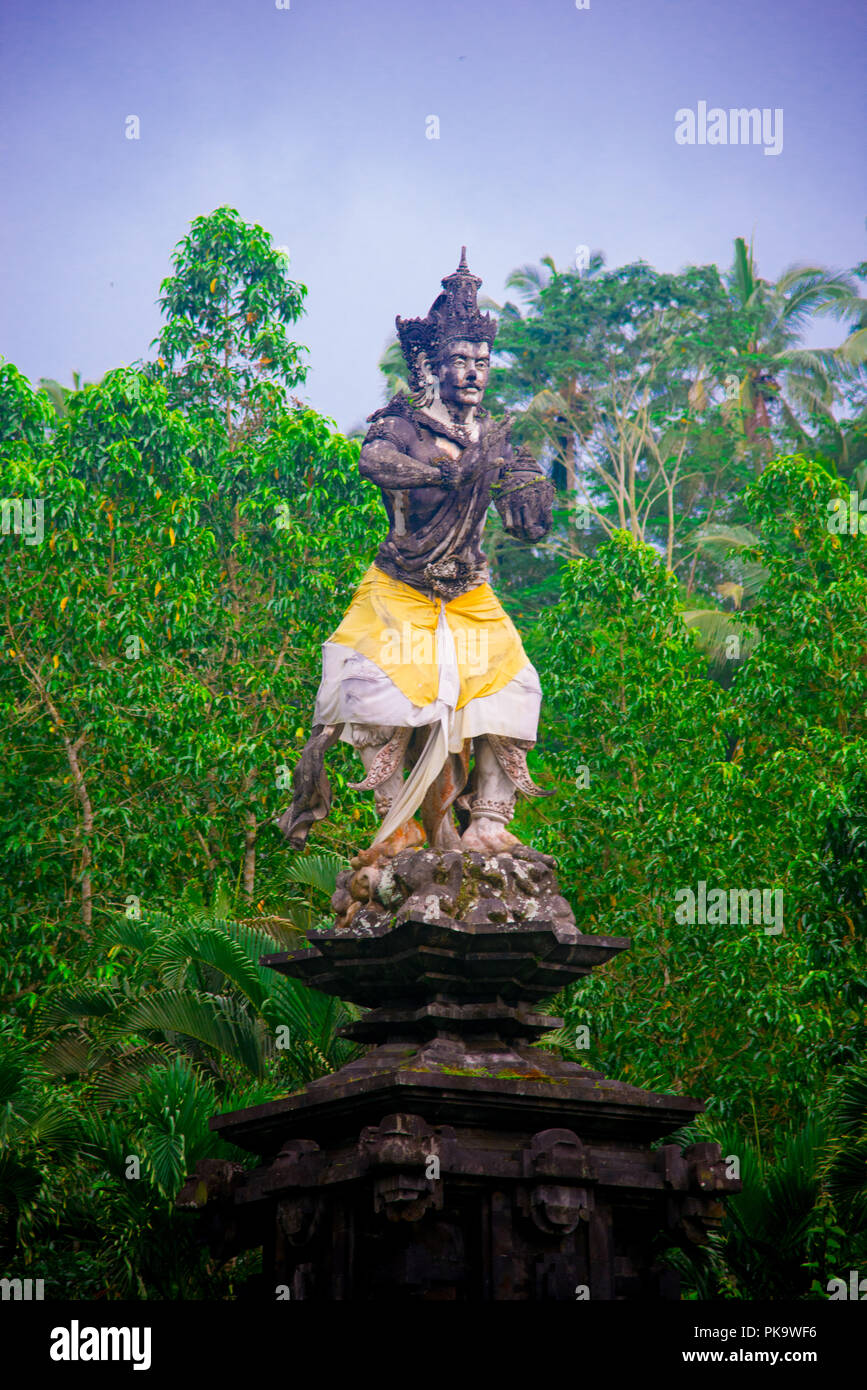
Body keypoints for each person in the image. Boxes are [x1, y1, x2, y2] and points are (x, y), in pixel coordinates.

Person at [278, 250, 554, 859]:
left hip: (468, 591)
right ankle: (395, 822)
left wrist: (533, 498)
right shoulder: (400, 425)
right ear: (430, 364)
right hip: (400, 586)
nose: (473, 373)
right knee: (379, 691)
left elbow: (527, 502)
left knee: (512, 684)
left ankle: (488, 819)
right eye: (459, 361)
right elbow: (372, 463)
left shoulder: (497, 439)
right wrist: (451, 477)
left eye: (482, 362)